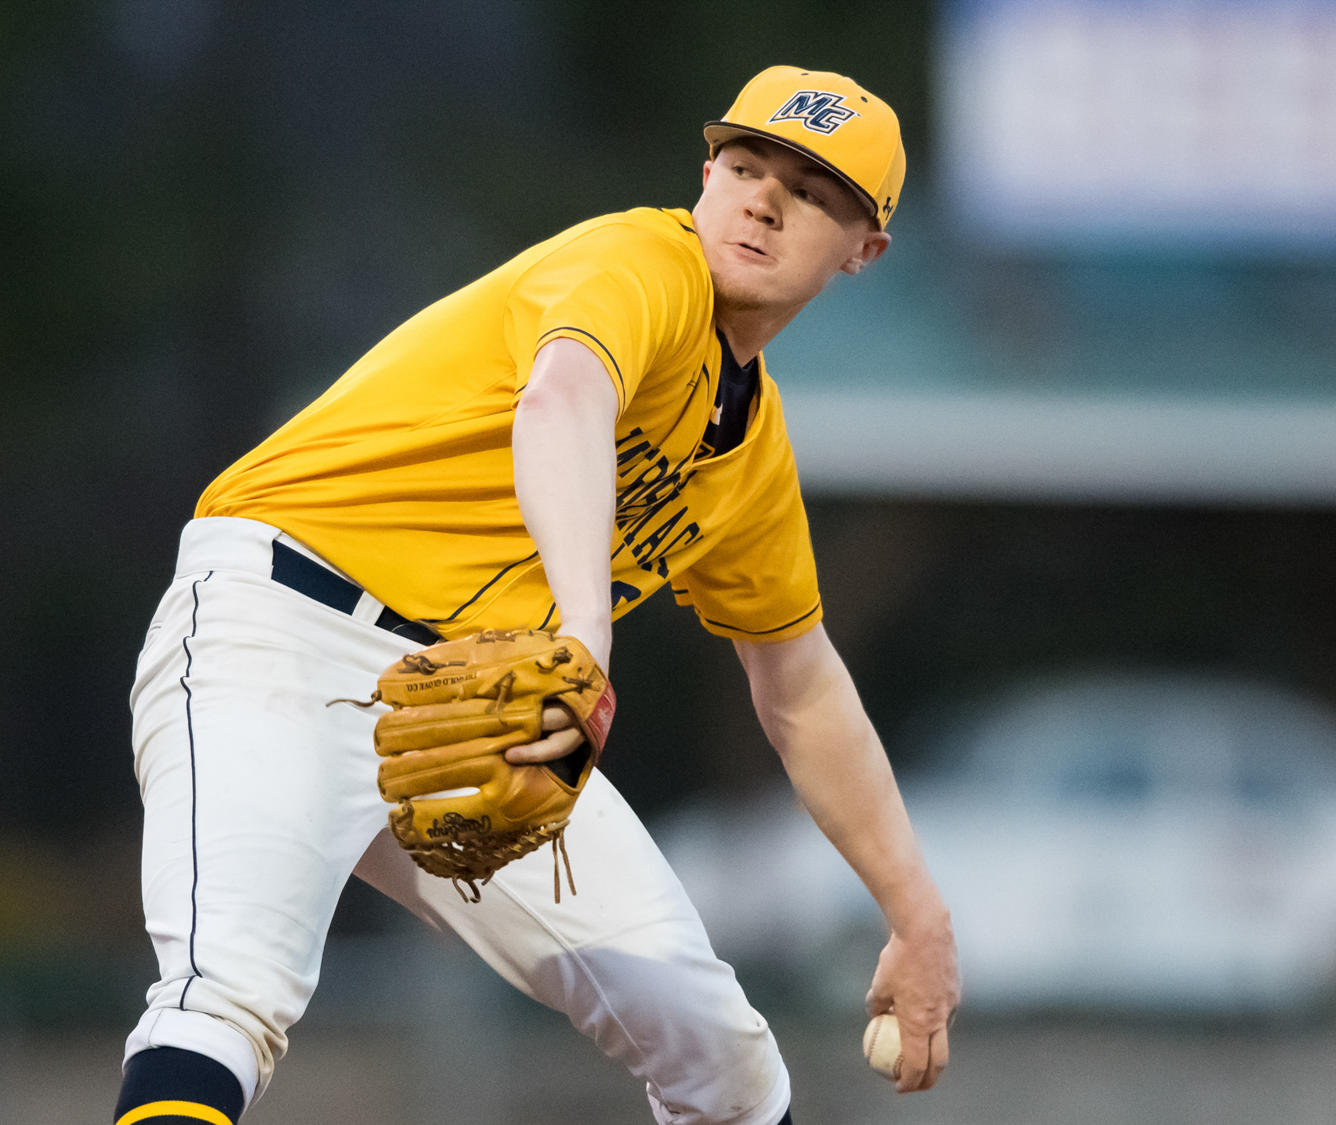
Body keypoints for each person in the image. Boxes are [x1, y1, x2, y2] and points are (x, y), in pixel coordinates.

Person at [113, 65, 959, 1125]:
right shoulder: (640, 263)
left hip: (475, 703)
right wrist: (583, 639)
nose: (764, 200)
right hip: (278, 628)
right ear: (705, 175)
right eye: (746, 166)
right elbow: (564, 399)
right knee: (228, 989)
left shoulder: (752, 452)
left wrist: (915, 913)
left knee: (721, 1055)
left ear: (863, 248)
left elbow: (800, 688)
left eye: (814, 191)